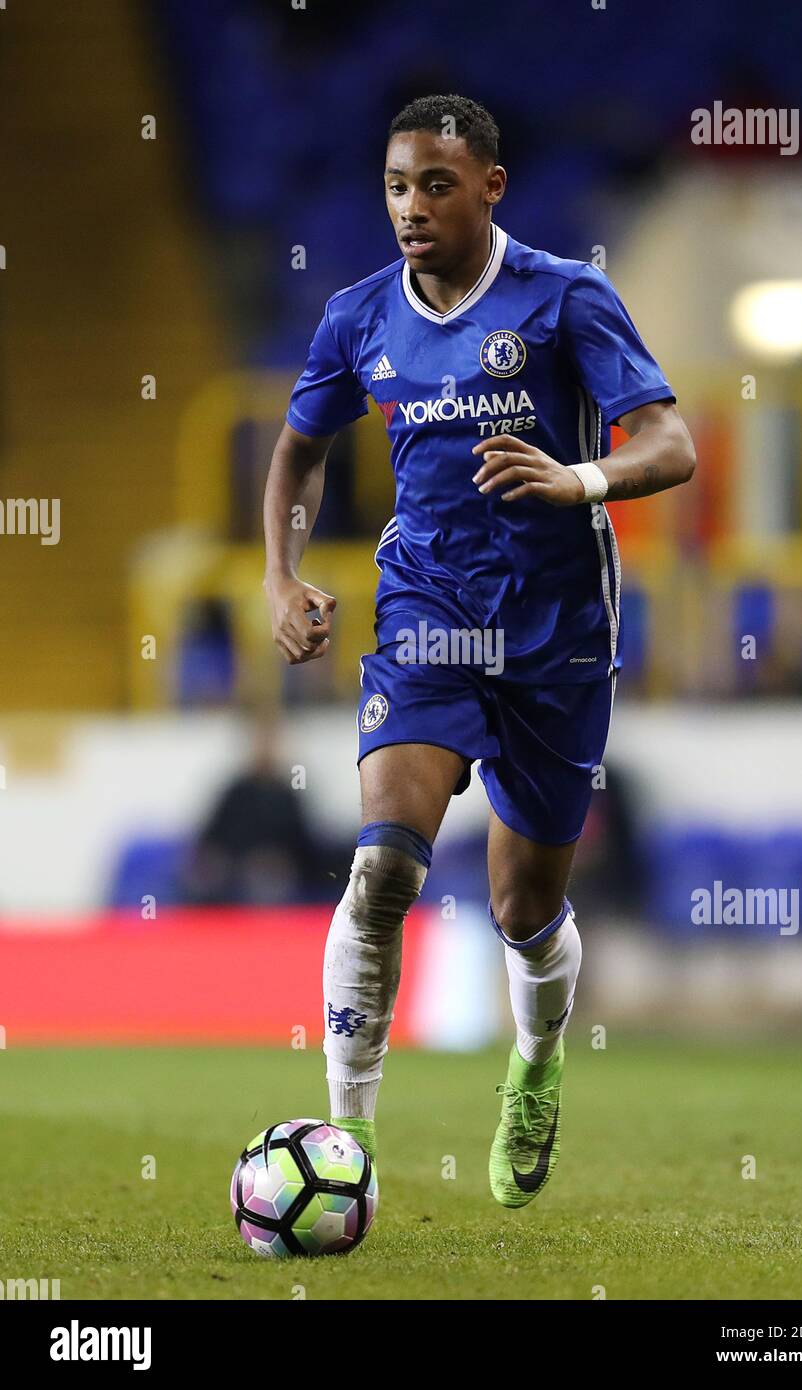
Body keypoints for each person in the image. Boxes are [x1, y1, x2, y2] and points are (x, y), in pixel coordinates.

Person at [262, 94, 695, 1207]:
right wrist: (281, 571)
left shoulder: (563, 297)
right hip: (425, 617)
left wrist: (577, 477)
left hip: (555, 636)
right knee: (383, 869)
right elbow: (299, 450)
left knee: (521, 910)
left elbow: (669, 440)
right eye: (398, 186)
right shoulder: (359, 316)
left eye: (437, 184)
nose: (412, 206)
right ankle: (346, 1146)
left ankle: (537, 1067)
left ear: (490, 187)